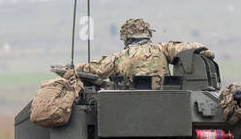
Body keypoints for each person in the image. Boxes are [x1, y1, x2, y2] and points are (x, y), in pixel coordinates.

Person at [76, 18, 213, 88]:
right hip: (166, 97)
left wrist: (73, 69)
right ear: (147, 34)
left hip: (131, 102)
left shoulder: (119, 57)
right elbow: (185, 47)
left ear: (126, 38)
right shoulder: (162, 48)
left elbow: (97, 69)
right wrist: (204, 50)